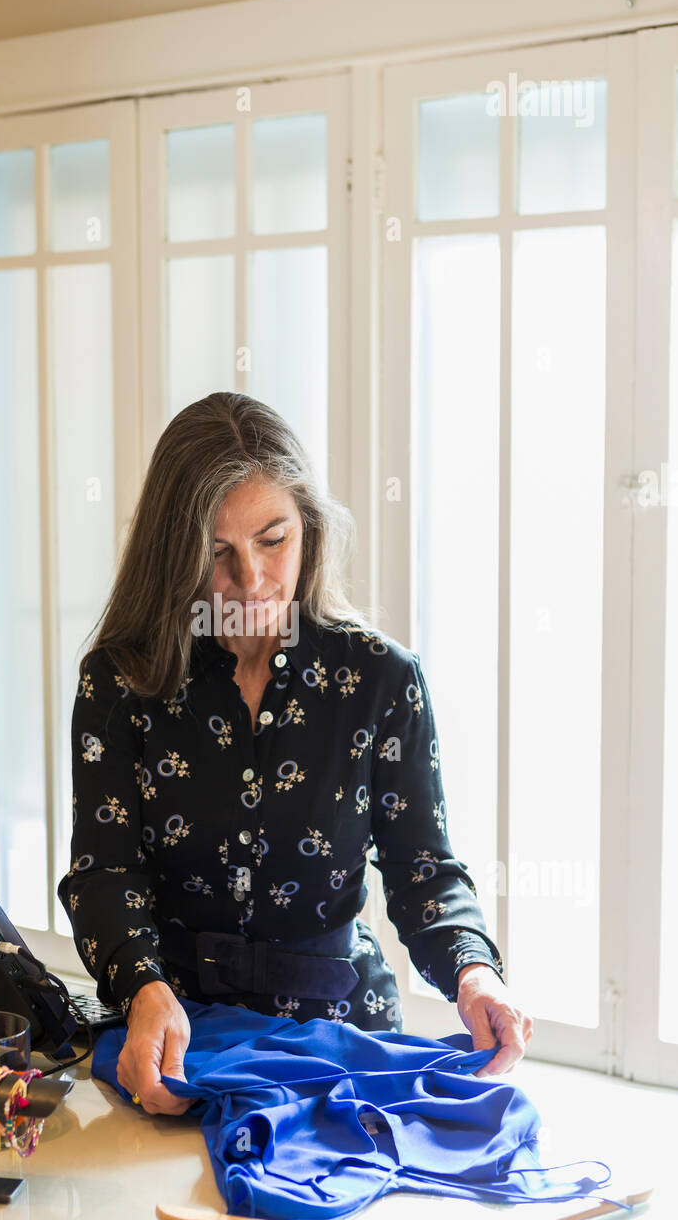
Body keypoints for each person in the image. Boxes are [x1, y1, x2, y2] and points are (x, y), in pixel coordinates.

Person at [58, 392, 532, 1116]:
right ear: (173, 554)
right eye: (217, 554)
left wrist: (476, 974)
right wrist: (144, 987)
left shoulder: (380, 680)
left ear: (308, 528)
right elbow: (105, 875)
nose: (250, 582)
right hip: (175, 1042)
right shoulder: (119, 682)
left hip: (341, 1039)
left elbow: (422, 869)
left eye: (273, 540)